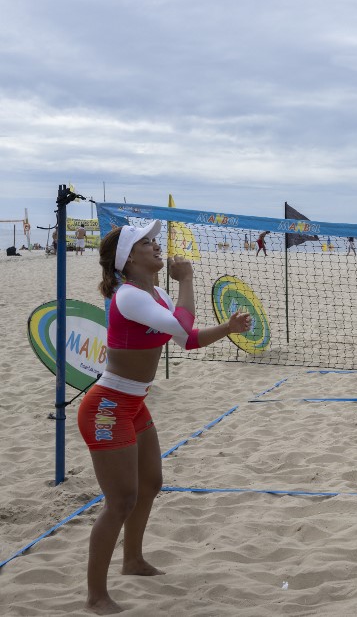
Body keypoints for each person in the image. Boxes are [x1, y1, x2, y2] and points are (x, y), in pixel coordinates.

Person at [80, 221, 251, 614]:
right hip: (108, 407)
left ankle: (133, 561)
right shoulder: (128, 296)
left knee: (151, 484)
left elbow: (187, 340)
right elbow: (184, 324)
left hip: (133, 403)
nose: (156, 246)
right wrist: (187, 279)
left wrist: (227, 328)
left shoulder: (154, 293)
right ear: (128, 259)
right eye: (146, 242)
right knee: (120, 501)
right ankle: (95, 597)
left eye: (155, 241)